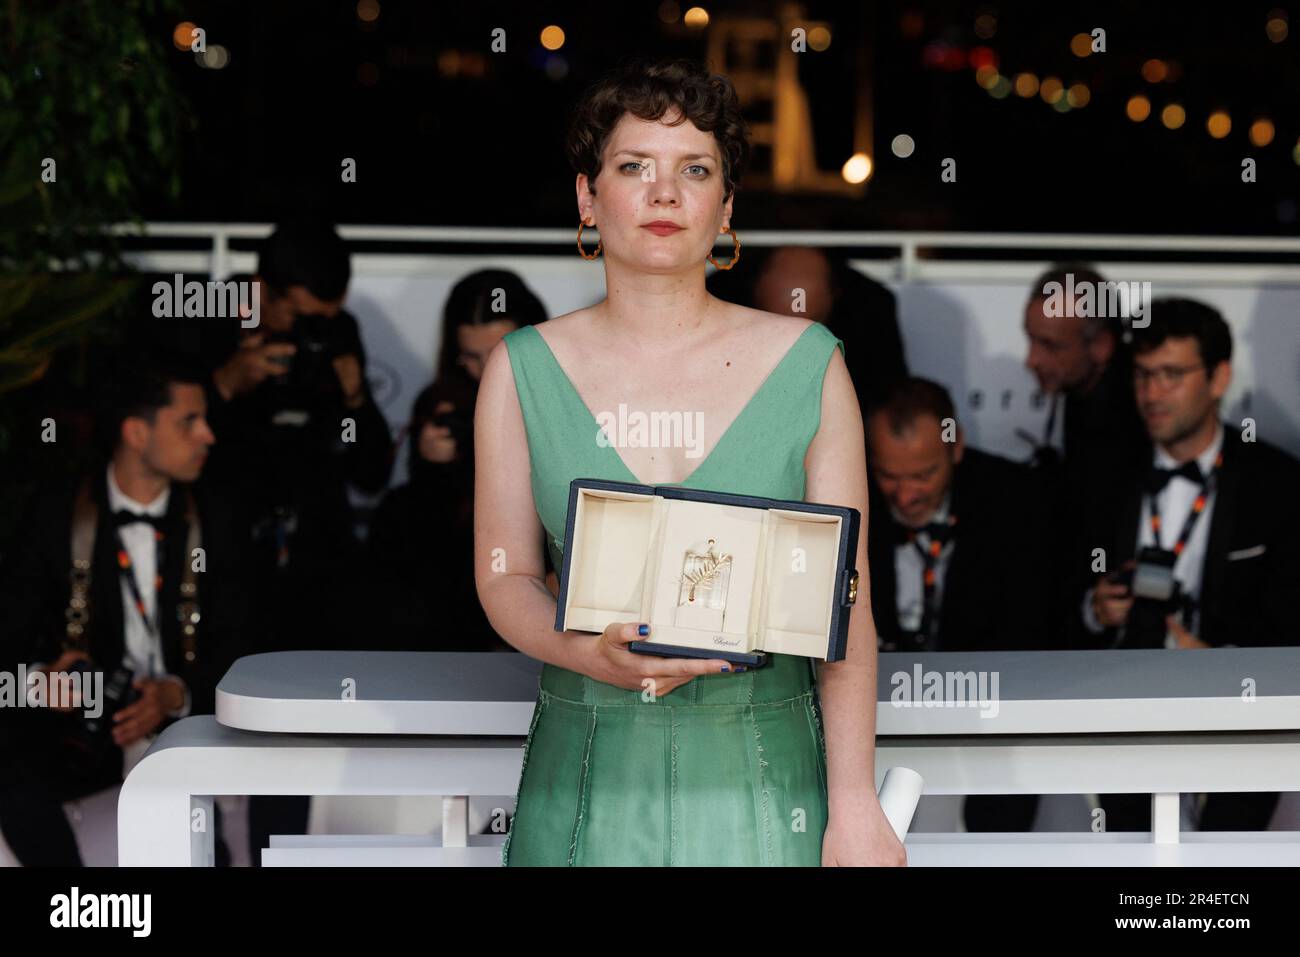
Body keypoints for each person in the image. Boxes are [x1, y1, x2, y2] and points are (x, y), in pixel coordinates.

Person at [474, 57, 904, 866]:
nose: (664, 194)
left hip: (768, 773)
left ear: (726, 205)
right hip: (588, 769)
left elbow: (849, 605)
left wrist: (854, 803)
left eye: (694, 170)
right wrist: (585, 652)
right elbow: (504, 578)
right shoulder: (521, 367)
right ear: (587, 198)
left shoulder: (809, 362)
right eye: (634, 167)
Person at [0, 349, 250, 865]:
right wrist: (39, 682)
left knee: (200, 831)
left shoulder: (218, 517)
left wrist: (177, 694)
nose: (209, 435)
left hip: (186, 730)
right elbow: (8, 636)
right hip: (84, 737)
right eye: (190, 421)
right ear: (137, 433)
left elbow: (247, 645)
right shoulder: (56, 512)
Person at [195, 221, 394, 863]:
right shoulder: (207, 318)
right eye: (305, 317)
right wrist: (227, 382)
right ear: (264, 291)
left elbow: (371, 471)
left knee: (300, 732)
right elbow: (169, 448)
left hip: (315, 564)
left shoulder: (338, 335)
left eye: (328, 319)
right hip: (222, 563)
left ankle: (280, 855)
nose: (314, 331)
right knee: (216, 720)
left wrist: (355, 396)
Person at [1070, 298, 1300, 831]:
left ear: (1219, 378)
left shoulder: (1278, 485)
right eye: (1143, 375)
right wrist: (1095, 610)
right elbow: (1053, 599)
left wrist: (1219, 661)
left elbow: (1290, 625)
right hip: (1124, 716)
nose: (1152, 394)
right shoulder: (1100, 477)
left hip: (1245, 725)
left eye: (1172, 375)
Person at [864, 377, 1051, 833]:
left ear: (956, 447)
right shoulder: (852, 498)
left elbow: (1031, 634)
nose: (905, 495)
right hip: (873, 716)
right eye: (890, 475)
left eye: (923, 475)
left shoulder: (1016, 502)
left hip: (990, 712)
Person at [710, 244, 908, 409]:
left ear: (834, 297)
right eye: (779, 329)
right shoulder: (717, 307)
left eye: (808, 331)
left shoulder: (869, 318)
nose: (793, 344)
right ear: (755, 297)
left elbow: (888, 399)